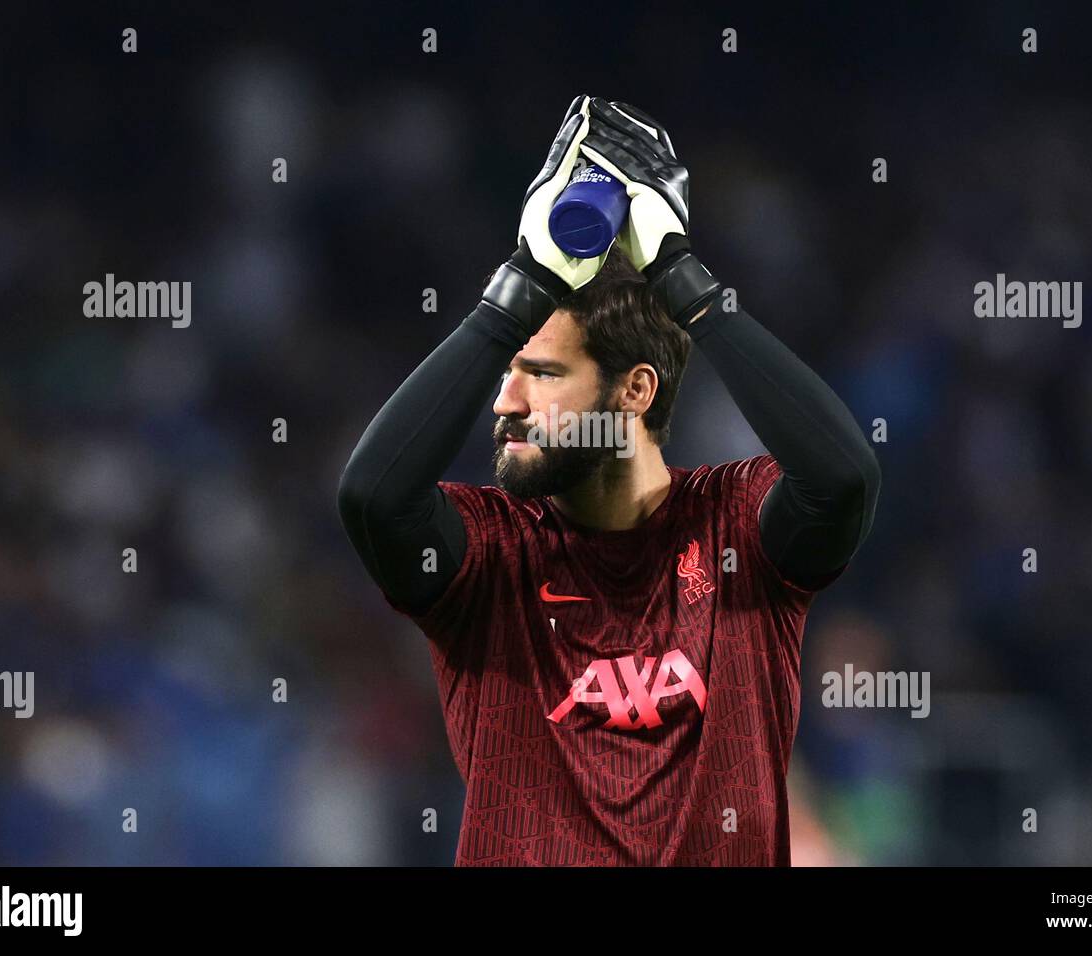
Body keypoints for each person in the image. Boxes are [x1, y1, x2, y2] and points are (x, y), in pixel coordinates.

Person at [337, 96, 881, 865]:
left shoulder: (736, 527)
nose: (505, 400)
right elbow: (373, 496)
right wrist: (520, 284)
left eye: (542, 373)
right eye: (507, 369)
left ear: (634, 391)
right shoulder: (490, 556)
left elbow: (844, 478)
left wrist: (680, 275)